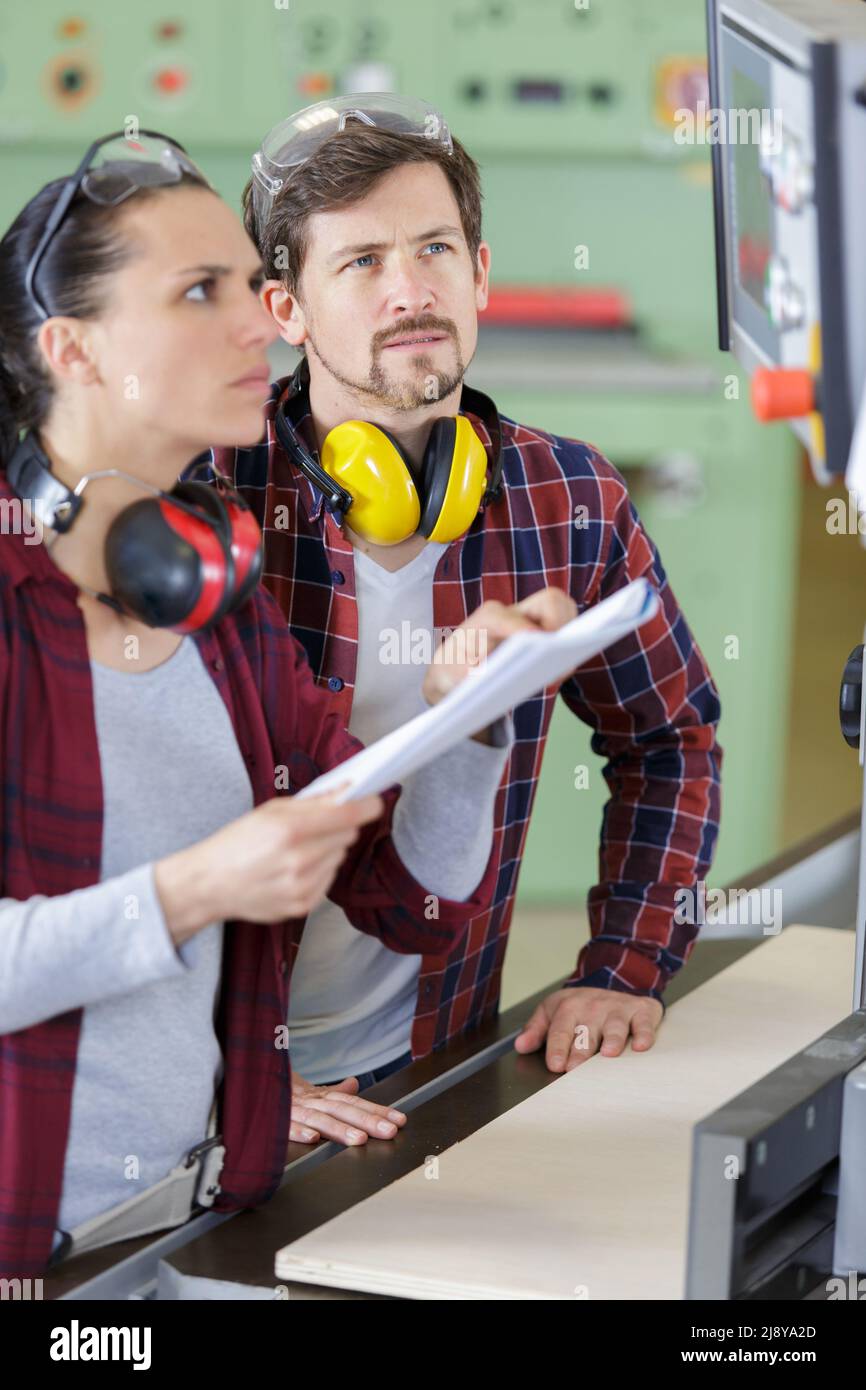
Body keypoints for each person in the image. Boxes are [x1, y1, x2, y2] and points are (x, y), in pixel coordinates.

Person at [0, 130, 564, 1279]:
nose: (260, 321)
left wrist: (470, 720)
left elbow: (405, 898)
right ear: (73, 350)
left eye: (247, 289)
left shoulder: (219, 602)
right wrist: (196, 887)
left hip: (196, 1221)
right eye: (199, 292)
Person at [199, 93, 723, 1149]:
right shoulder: (197, 495)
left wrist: (622, 967)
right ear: (284, 310)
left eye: (435, 248)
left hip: (421, 1067)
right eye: (359, 263)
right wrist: (202, 1084)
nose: (411, 291)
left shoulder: (567, 497)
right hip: (201, 1081)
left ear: (480, 272)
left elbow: (667, 739)